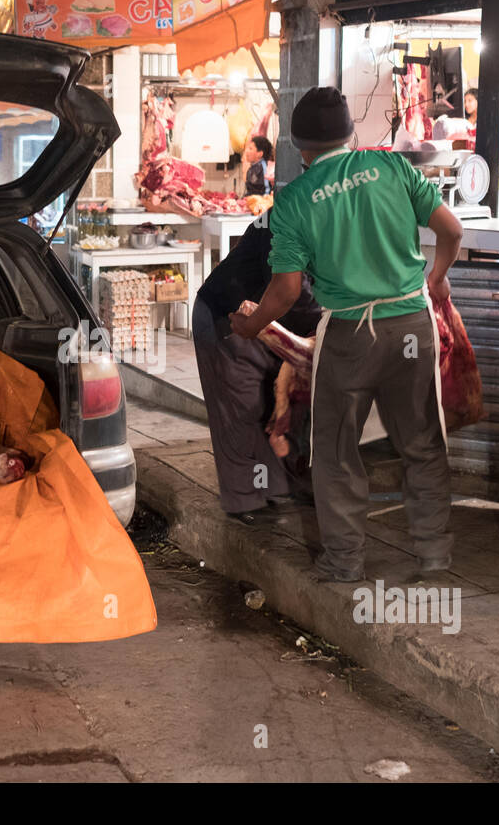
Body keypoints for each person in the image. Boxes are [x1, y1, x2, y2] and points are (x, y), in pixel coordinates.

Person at [229, 86, 465, 582]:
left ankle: (344, 563)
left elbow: (286, 292)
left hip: (350, 336)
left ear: (299, 146)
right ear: (352, 133)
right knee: (421, 445)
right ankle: (435, 556)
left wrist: (251, 325)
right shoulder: (395, 168)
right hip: (411, 327)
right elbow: (453, 230)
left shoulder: (293, 200)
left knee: (337, 453)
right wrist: (437, 275)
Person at [193, 219, 321, 524]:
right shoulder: (284, 222)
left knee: (275, 404)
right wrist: (331, 318)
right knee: (243, 406)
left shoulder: (326, 220)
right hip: (229, 317)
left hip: (272, 324)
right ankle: (246, 500)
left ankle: (281, 488)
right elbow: (291, 292)